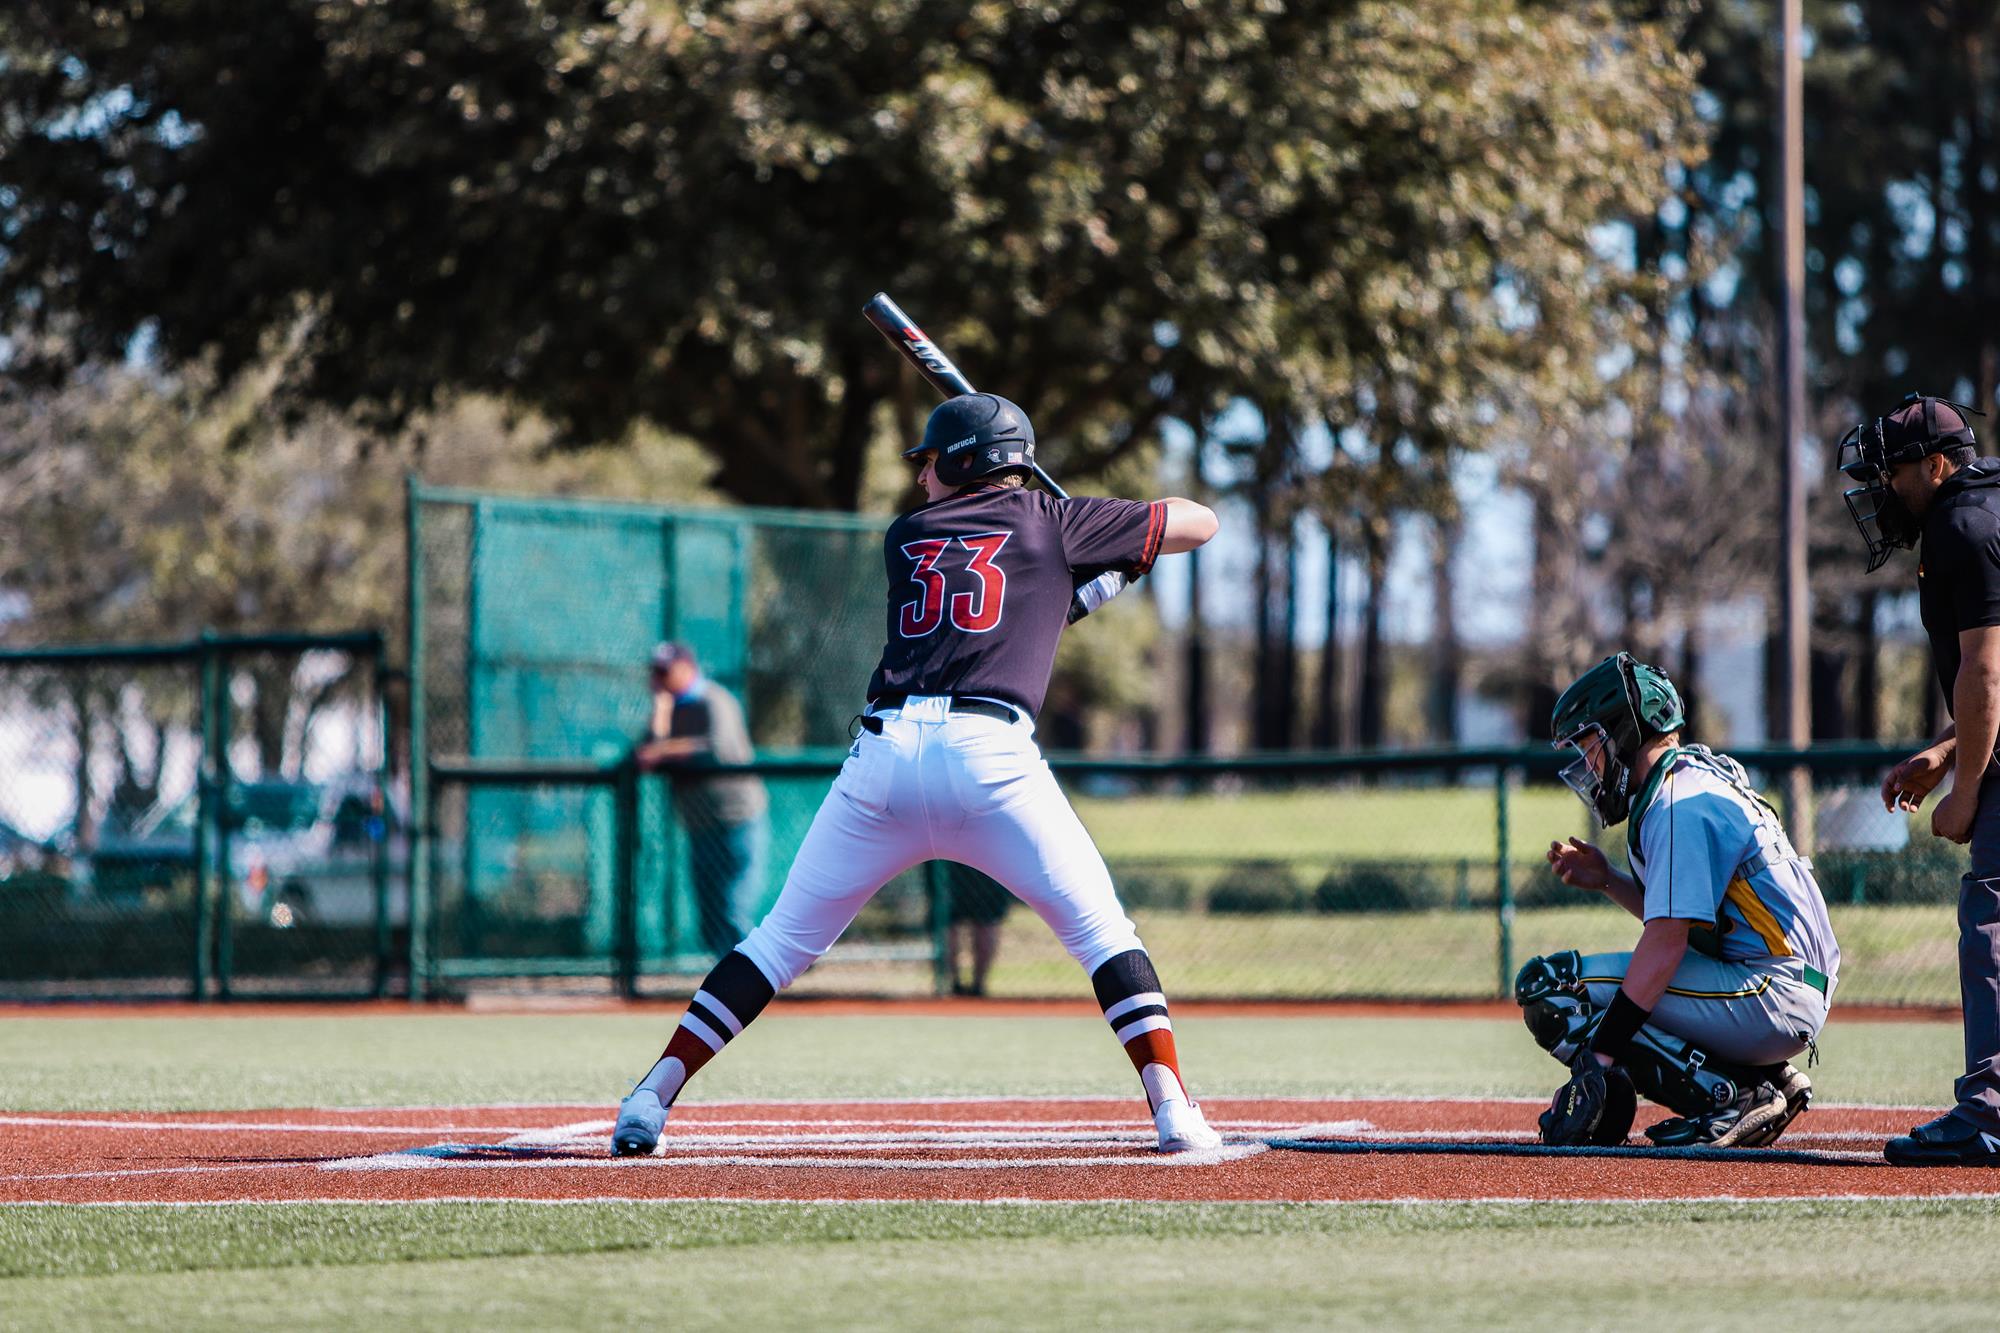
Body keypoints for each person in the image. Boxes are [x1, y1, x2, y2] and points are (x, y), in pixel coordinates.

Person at [612, 392, 1222, 1155]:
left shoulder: (911, 534)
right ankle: (1175, 1111)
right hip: (989, 757)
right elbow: (1200, 521)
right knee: (1104, 935)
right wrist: (1103, 532)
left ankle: (648, 1098)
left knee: (775, 945)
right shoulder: (1051, 521)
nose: (922, 476)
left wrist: (1086, 560)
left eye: (931, 460)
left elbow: (1020, 609)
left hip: (886, 757)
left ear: (965, 460)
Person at [1522, 653, 1839, 1149]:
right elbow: (1685, 920)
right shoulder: (1694, 779)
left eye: (1591, 747)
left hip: (1768, 991)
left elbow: (1668, 942)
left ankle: (1730, 1096)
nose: (1588, 766)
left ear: (1623, 733)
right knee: (1624, 985)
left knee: (1552, 988)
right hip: (1780, 985)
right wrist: (1608, 879)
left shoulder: (1676, 805)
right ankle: (1764, 1080)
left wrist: (1599, 1059)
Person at [1840, 392, 2000, 1166]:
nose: (1884, 490)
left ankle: (1991, 1111)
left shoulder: (1961, 527)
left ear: (1936, 464)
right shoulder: (1989, 508)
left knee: (1993, 916)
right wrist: (1945, 752)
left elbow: (1987, 670)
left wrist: (1966, 786)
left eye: (1894, 473)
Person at [634, 642, 770, 960]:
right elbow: (644, 754)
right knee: (710, 922)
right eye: (655, 673)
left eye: (665, 672)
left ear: (687, 668)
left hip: (737, 820)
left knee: (732, 911)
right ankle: (737, 981)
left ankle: (768, 970)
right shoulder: (668, 712)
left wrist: (662, 751)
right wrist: (660, 714)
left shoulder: (713, 699)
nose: (659, 680)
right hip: (699, 826)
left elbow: (714, 750)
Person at [944, 863, 1011, 997]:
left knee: (949, 921)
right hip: (987, 857)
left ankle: (954, 985)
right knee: (949, 922)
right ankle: (976, 986)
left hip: (946, 858)